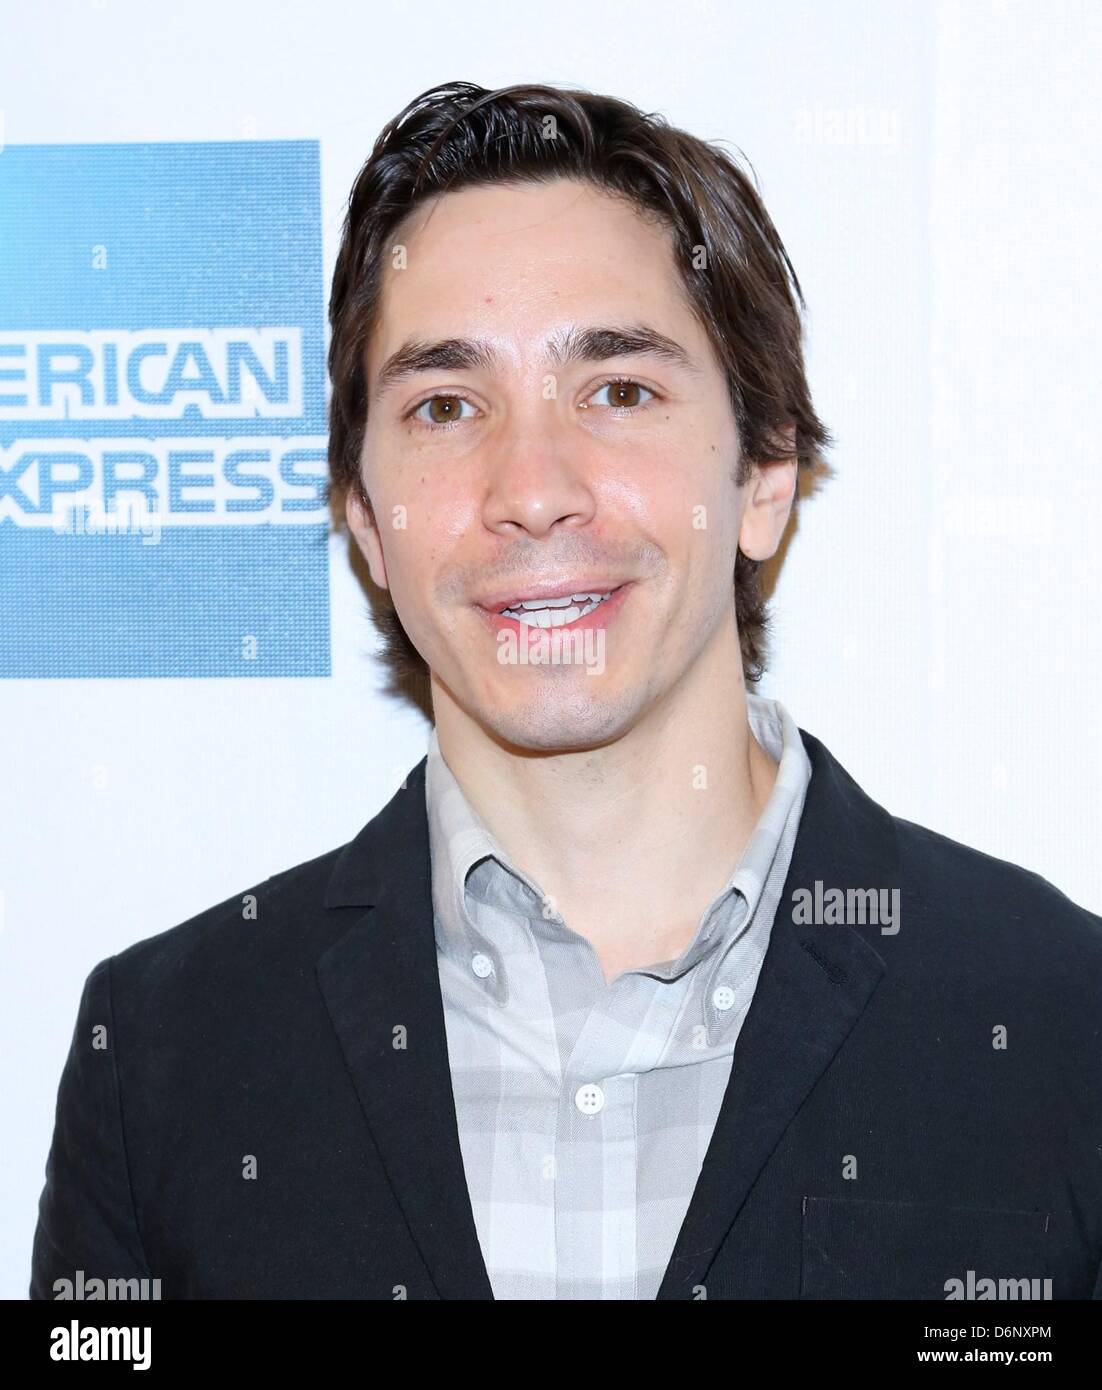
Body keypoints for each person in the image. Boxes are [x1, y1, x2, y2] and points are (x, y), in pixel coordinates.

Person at [31, 81, 1102, 1301]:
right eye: (445, 405)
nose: (531, 487)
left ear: (762, 475)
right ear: (366, 526)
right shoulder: (169, 1054)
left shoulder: (1058, 1016)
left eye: (618, 391)